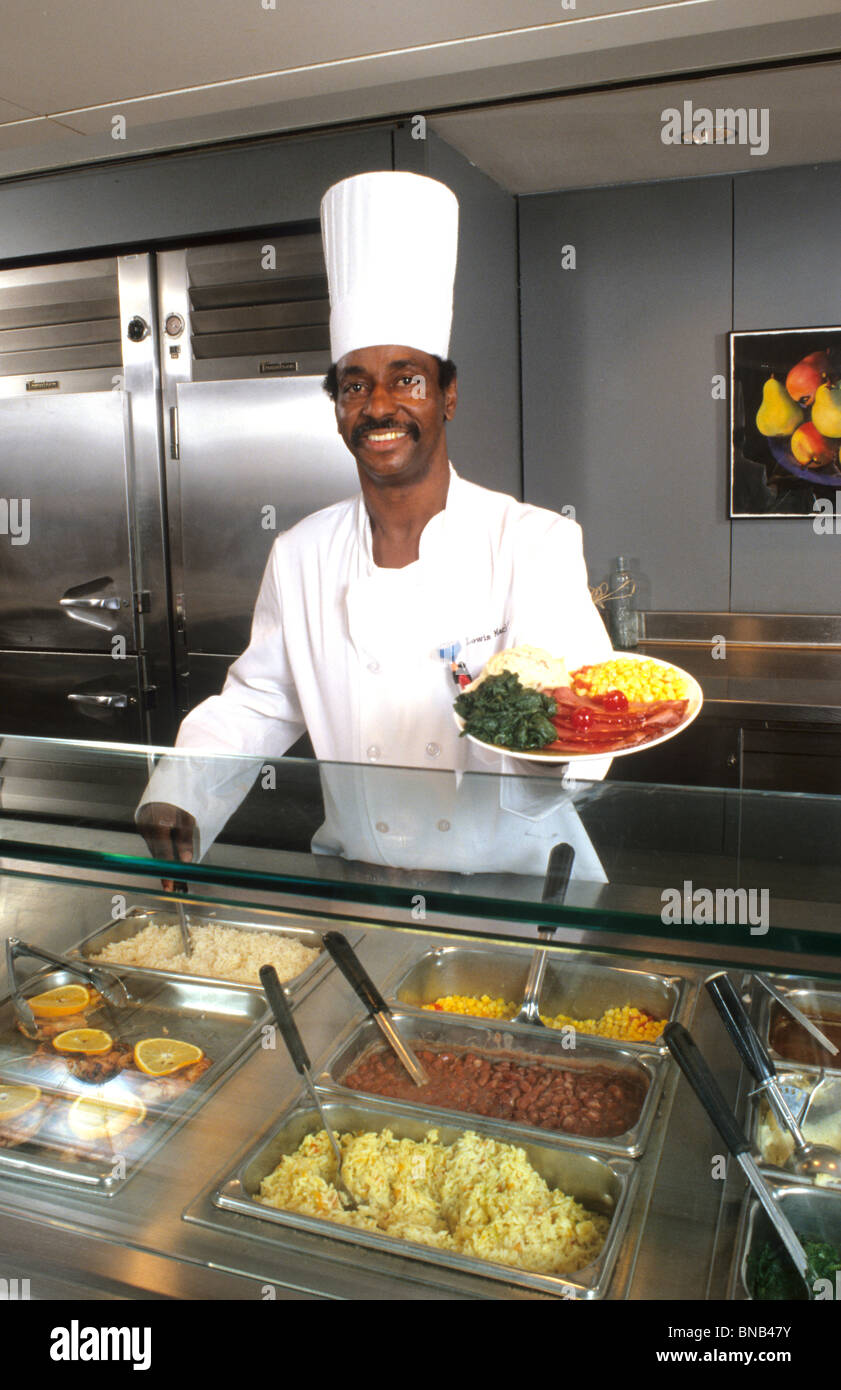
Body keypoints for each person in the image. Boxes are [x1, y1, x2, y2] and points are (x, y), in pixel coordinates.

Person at [137, 171, 613, 880]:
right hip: (363, 880)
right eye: (355, 384)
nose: (379, 404)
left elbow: (579, 720)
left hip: (516, 887)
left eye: (407, 378)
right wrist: (180, 794)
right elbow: (262, 698)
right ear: (336, 408)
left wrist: (546, 731)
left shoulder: (531, 542)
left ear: (446, 396)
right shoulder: (300, 555)